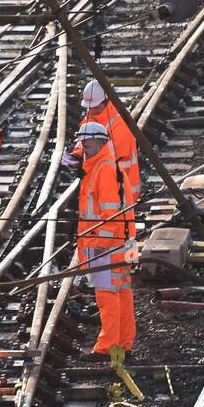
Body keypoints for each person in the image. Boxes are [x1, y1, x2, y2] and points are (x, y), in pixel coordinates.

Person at [74, 122, 136, 362]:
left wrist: (101, 243)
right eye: (82, 141)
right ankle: (123, 342)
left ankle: (108, 345)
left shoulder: (103, 169)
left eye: (87, 141)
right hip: (123, 240)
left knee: (108, 295)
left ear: (100, 141)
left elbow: (109, 211)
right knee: (121, 291)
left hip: (108, 243)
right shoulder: (104, 166)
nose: (84, 145)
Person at [79, 79, 140, 240]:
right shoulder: (90, 118)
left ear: (106, 102)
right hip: (99, 189)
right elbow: (83, 144)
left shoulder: (118, 127)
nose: (91, 110)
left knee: (116, 230)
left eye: (95, 106)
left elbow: (106, 157)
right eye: (89, 107)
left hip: (120, 190)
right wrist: (76, 155)